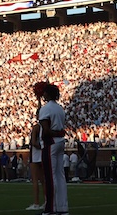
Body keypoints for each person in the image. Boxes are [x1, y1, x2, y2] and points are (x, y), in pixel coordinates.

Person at [38, 83, 68, 215]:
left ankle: (50, 208)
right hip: (60, 142)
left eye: (45, 93)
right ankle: (62, 207)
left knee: (50, 176)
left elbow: (46, 130)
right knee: (60, 175)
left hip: (51, 143)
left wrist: (53, 134)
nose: (43, 95)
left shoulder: (46, 109)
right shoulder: (60, 108)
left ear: (48, 94)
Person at [27, 83, 46, 211]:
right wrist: (39, 100)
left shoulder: (36, 127)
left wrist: (37, 146)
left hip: (35, 155)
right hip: (43, 154)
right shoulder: (45, 126)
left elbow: (33, 142)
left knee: (35, 181)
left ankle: (36, 203)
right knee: (44, 180)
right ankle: (47, 201)